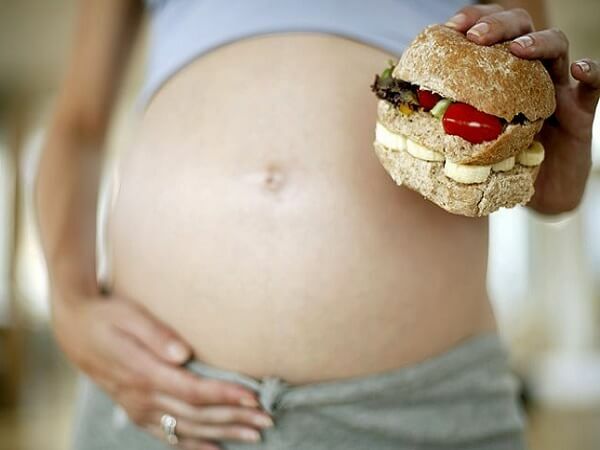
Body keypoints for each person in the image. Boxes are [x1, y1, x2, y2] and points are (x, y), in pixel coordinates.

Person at [35, 1, 599, 449]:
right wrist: (70, 304)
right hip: (164, 394)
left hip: (422, 412)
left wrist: (552, 162)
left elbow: (541, 157)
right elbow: (79, 125)